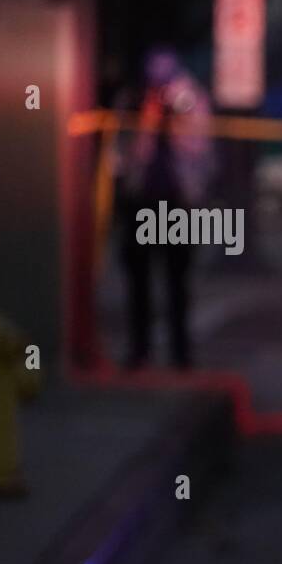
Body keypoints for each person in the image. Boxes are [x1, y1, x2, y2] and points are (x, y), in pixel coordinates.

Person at [112, 48, 214, 370]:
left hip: (178, 203)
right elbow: (128, 159)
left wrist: (176, 120)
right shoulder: (132, 103)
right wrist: (149, 120)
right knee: (139, 281)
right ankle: (139, 350)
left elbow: (201, 150)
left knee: (177, 282)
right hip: (142, 202)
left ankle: (181, 353)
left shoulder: (193, 100)